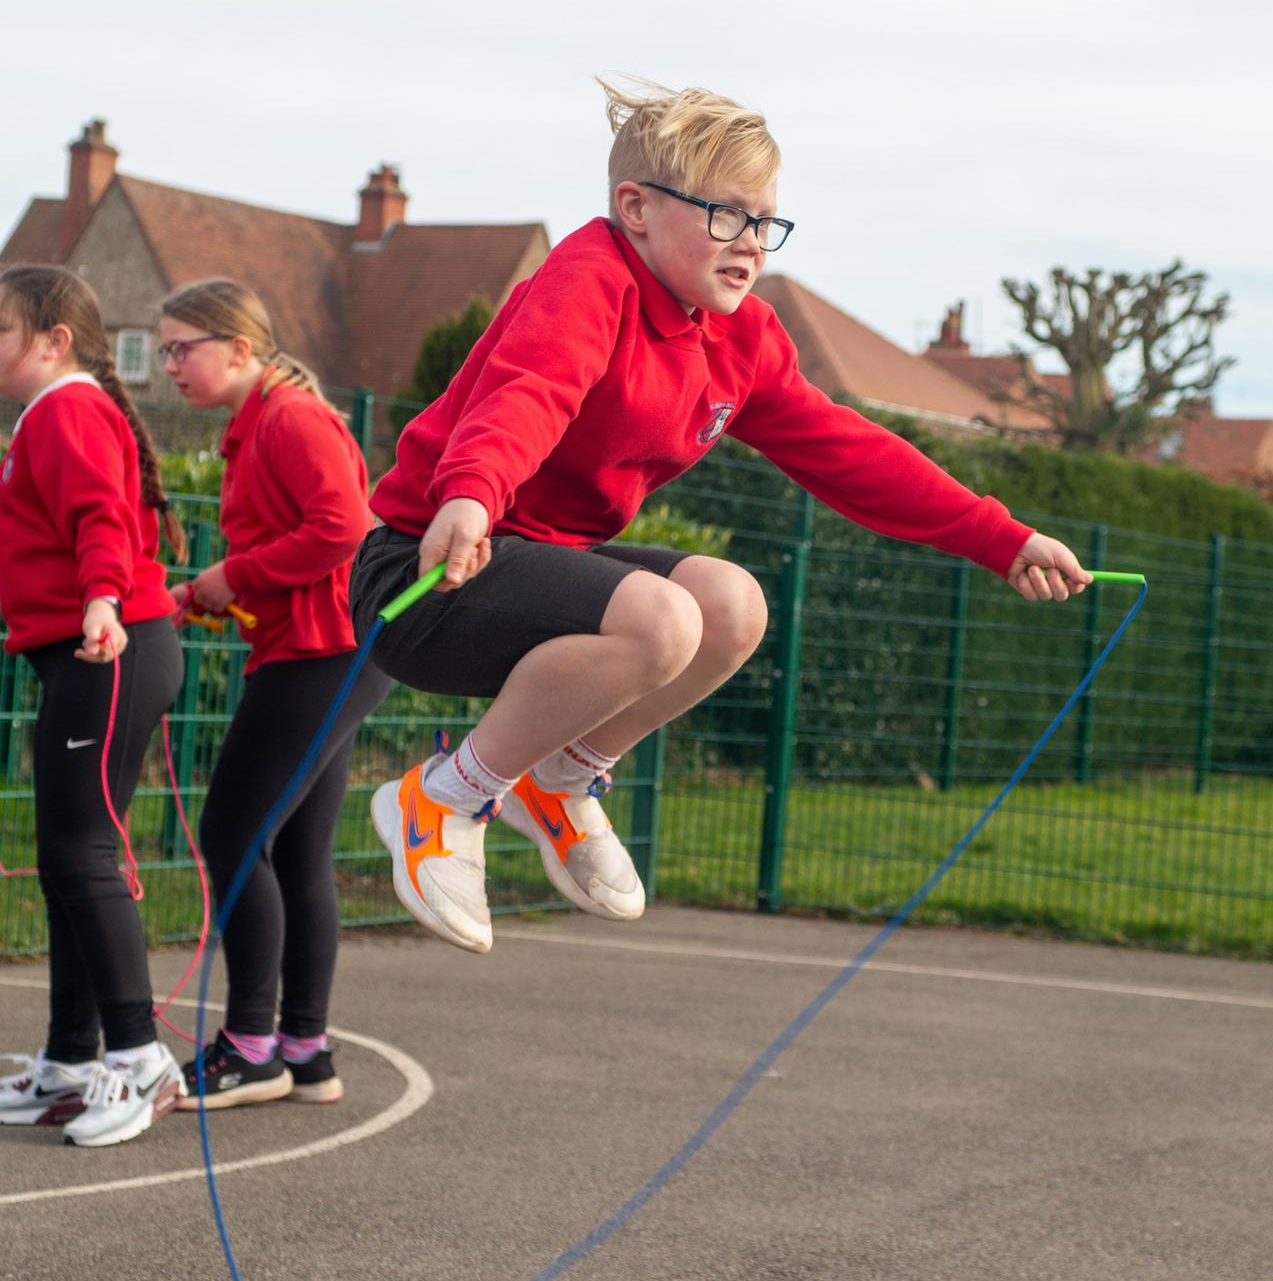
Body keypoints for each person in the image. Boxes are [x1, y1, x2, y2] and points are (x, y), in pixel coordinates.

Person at [354, 80, 1092, 955]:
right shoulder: (589, 281)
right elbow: (530, 390)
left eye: (766, 222)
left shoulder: (741, 341)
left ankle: (561, 776)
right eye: (726, 215)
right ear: (635, 208)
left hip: (536, 572)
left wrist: (1001, 539)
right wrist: (471, 493)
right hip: (429, 570)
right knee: (661, 617)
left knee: (735, 604)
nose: (751, 243)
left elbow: (853, 452)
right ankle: (444, 797)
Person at [159, 279, 391, 1109]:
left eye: (183, 346)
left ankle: (252, 1047)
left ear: (241, 349)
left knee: (232, 831)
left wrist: (233, 574)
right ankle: (305, 1049)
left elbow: (342, 529)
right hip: (312, 647)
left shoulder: (290, 418)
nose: (170, 364)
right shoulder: (254, 426)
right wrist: (199, 591)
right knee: (293, 851)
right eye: (164, 349)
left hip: (325, 652)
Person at [0, 265, 188, 1145]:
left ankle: (140, 1061)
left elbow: (101, 516)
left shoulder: (69, 408)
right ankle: (73, 1062)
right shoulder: (46, 416)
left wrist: (103, 601)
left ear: (52, 339)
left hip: (109, 645)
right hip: (90, 647)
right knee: (63, 854)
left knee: (82, 852)